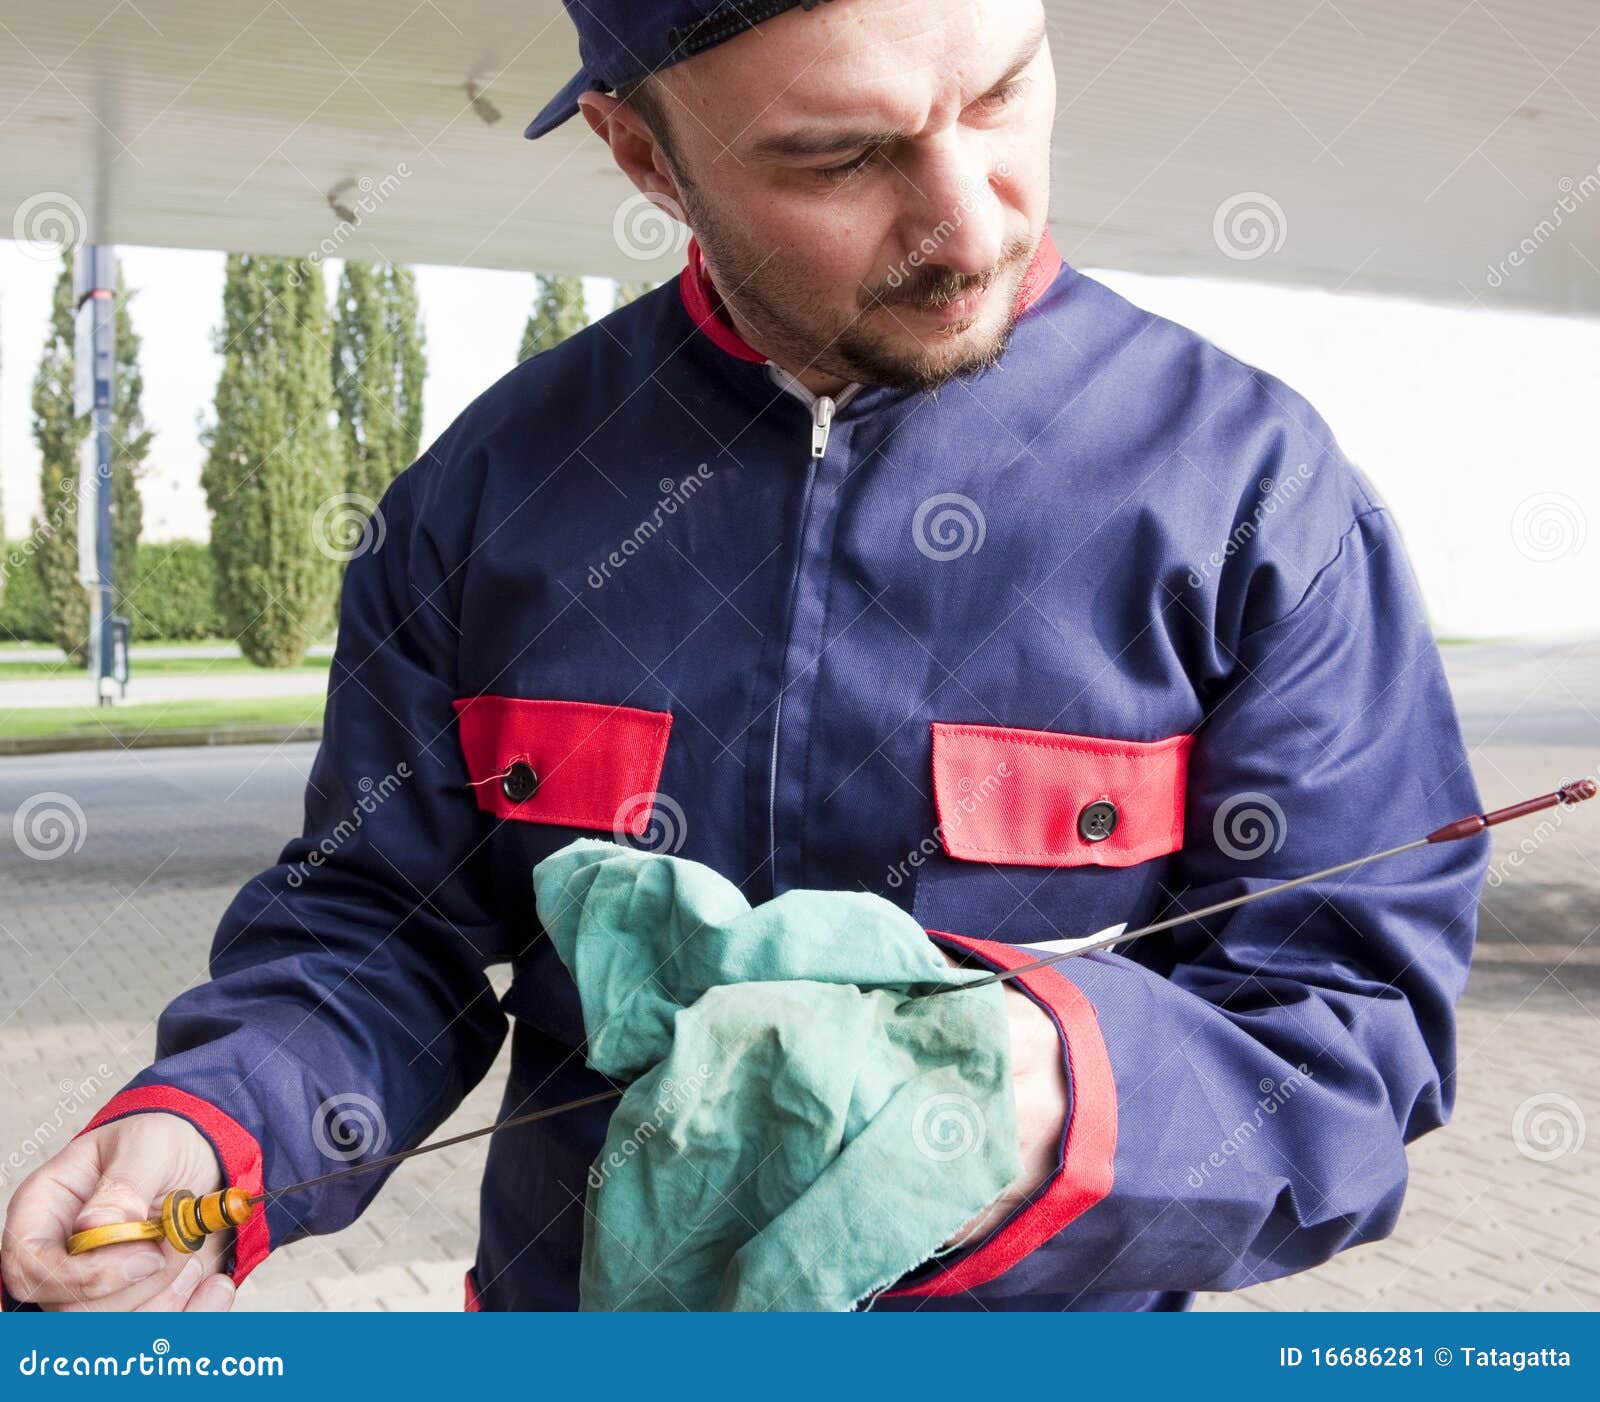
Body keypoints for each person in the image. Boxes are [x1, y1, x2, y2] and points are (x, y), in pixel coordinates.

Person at [2, 0, 1486, 1312]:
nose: (969, 221)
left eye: (1002, 89)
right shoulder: (488, 498)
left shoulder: (1254, 496)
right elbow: (382, 928)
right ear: (645, 157)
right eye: (840, 157)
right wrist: (216, 1127)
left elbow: (1351, 1035)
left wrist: (1040, 1097)